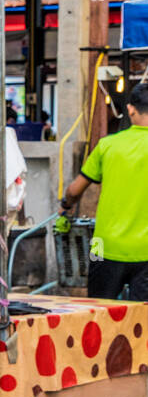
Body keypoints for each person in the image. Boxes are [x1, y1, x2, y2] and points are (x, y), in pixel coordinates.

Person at [61, 80, 148, 300]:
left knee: (99, 314)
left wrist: (66, 205)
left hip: (102, 248)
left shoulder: (107, 145)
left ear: (130, 109)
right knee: (143, 323)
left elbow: (74, 190)